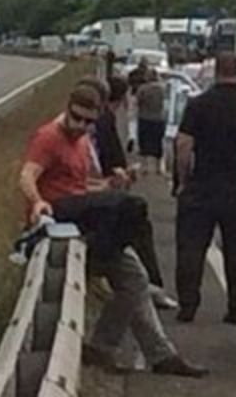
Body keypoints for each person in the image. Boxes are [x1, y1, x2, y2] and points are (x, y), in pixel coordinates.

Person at [18, 82, 206, 377]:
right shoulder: (49, 138)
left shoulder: (82, 141)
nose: (80, 126)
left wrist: (110, 184)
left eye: (88, 121)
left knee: (135, 281)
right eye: (76, 118)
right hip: (63, 225)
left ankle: (153, 354)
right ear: (67, 109)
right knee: (133, 269)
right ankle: (125, 349)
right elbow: (27, 175)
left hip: (88, 220)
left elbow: (80, 188)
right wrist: (38, 202)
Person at [174, 52, 236, 325]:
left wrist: (183, 179)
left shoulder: (199, 105)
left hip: (203, 184)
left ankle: (188, 304)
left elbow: (183, 145)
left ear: (216, 71)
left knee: (192, 247)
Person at [91, 75, 179, 310]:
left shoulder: (98, 123)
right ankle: (151, 285)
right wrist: (117, 179)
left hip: (96, 192)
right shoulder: (103, 122)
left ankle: (146, 287)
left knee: (134, 219)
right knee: (137, 218)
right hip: (96, 198)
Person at [136, 69, 167, 175]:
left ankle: (145, 166)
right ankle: (159, 167)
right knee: (158, 142)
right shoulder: (162, 88)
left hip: (144, 117)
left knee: (144, 142)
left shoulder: (143, 89)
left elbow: (138, 101)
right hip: (159, 118)